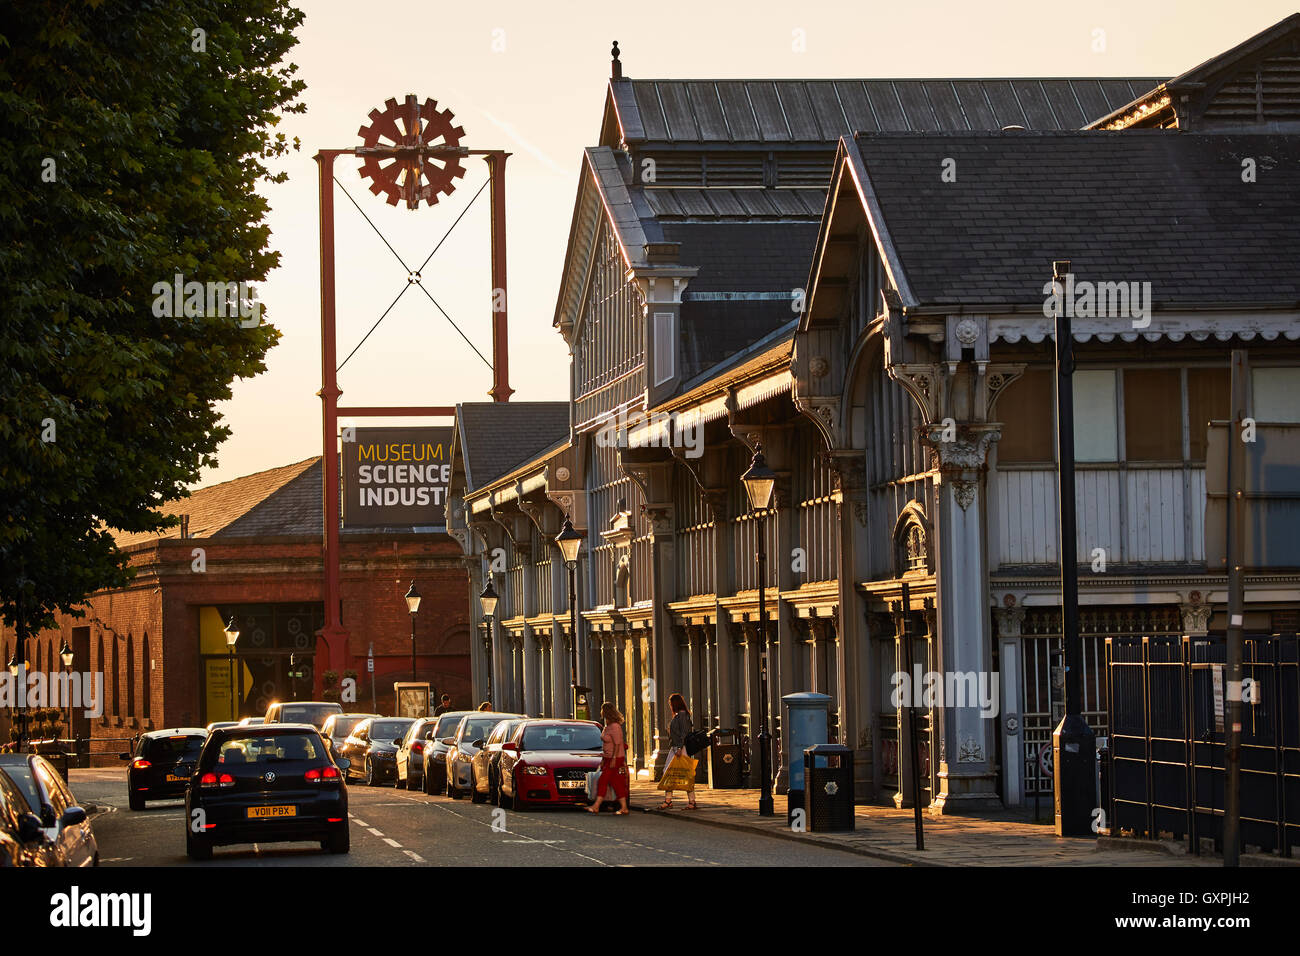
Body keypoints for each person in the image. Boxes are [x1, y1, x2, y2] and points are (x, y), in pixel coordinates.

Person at [588, 701, 629, 815]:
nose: (601, 712)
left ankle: (596, 806)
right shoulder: (608, 726)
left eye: (603, 710)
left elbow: (617, 744)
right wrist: (603, 760)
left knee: (603, 780)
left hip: (615, 758)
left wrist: (614, 759)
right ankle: (624, 807)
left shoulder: (615, 727)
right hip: (608, 758)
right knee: (616, 782)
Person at [658, 693, 697, 810]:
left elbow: (684, 733)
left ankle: (691, 801)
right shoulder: (678, 716)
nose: (670, 706)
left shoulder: (682, 715)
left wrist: (679, 747)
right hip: (675, 748)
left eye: (670, 703)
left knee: (683, 773)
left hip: (680, 748)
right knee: (670, 772)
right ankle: (669, 800)